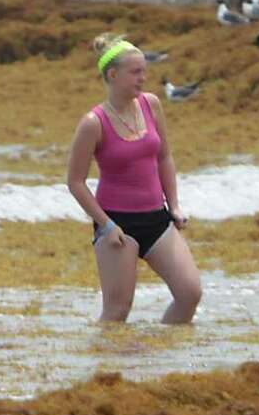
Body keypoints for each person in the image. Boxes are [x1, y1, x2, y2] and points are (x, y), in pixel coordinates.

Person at [65, 35, 202, 324]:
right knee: (117, 312)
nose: (144, 78)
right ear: (113, 75)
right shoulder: (93, 123)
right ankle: (107, 366)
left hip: (157, 219)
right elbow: (75, 181)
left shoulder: (151, 105)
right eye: (136, 72)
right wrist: (106, 224)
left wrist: (174, 206)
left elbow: (164, 157)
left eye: (145, 71)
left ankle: (162, 359)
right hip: (117, 225)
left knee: (190, 293)